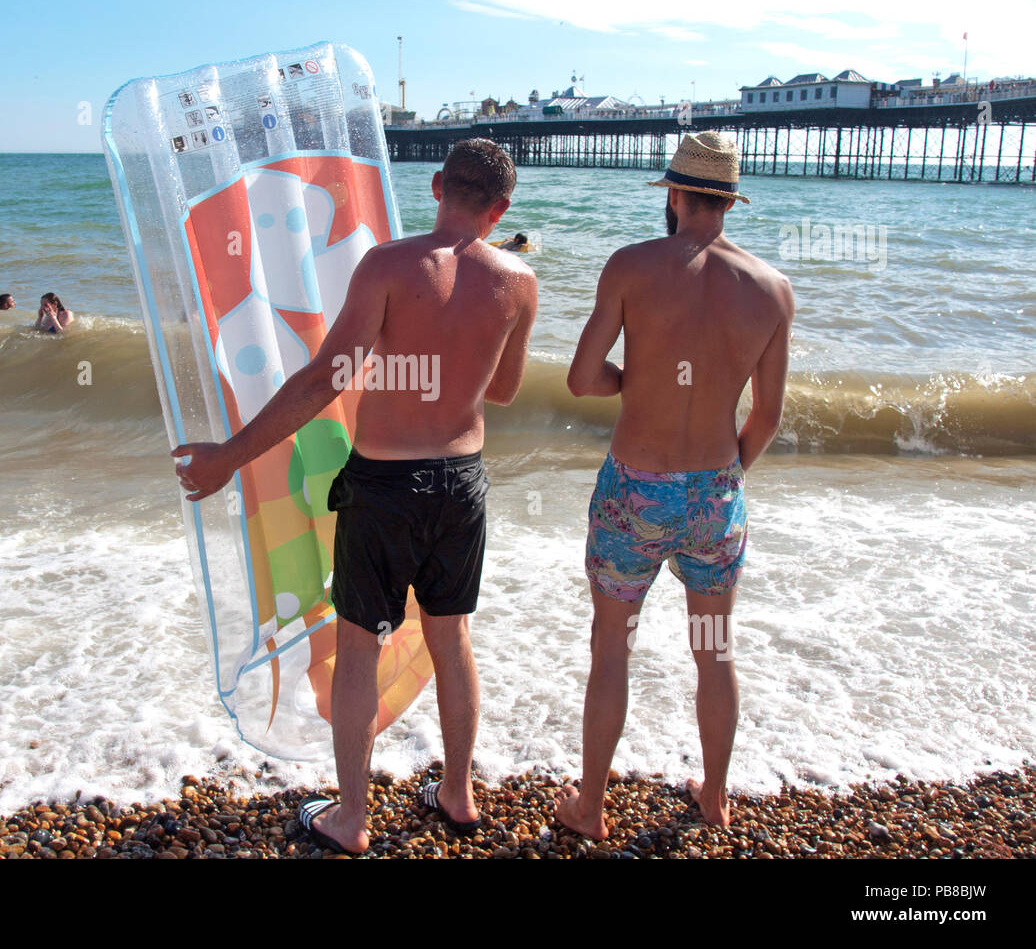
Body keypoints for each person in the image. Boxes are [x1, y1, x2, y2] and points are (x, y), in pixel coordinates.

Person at [172, 139, 538, 855]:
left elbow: (323, 380)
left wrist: (229, 457)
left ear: (436, 186)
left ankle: (351, 818)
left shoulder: (389, 266)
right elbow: (503, 389)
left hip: (386, 488)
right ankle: (458, 793)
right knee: (451, 633)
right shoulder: (518, 281)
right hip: (461, 486)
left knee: (361, 644)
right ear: (500, 210)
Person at [555, 131, 794, 837]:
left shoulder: (631, 266)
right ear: (727, 200)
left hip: (634, 491)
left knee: (611, 648)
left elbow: (580, 378)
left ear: (675, 195)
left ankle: (591, 808)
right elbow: (769, 417)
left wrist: (639, 381)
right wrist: (720, 482)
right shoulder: (773, 289)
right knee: (714, 650)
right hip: (715, 495)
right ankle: (715, 798)